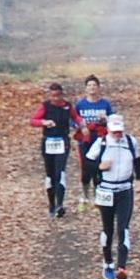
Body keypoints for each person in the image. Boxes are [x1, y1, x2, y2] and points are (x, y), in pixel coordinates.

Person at [85, 113, 140, 279]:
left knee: (123, 227)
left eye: (120, 131)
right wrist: (99, 167)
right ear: (108, 130)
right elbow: (88, 163)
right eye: (114, 132)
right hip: (106, 190)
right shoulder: (101, 143)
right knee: (108, 229)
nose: (118, 135)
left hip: (125, 190)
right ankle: (108, 262)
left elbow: (138, 161)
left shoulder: (131, 142)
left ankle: (122, 267)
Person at [29, 82, 86, 218]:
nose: (55, 99)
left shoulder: (67, 106)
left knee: (60, 172)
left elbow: (75, 117)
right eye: (53, 96)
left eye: (58, 96)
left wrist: (82, 124)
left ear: (61, 95)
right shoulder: (45, 106)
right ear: (50, 95)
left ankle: (60, 204)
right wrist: (44, 122)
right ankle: (51, 204)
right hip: (48, 141)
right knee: (50, 174)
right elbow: (33, 120)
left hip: (62, 141)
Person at [73, 74, 113, 209]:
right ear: (85, 88)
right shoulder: (80, 104)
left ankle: (98, 199)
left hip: (101, 140)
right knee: (85, 169)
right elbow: (73, 120)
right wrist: (81, 126)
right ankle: (84, 197)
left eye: (94, 85)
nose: (92, 88)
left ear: (99, 88)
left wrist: (106, 118)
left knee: (98, 169)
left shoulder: (105, 103)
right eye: (89, 85)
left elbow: (113, 121)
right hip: (85, 141)